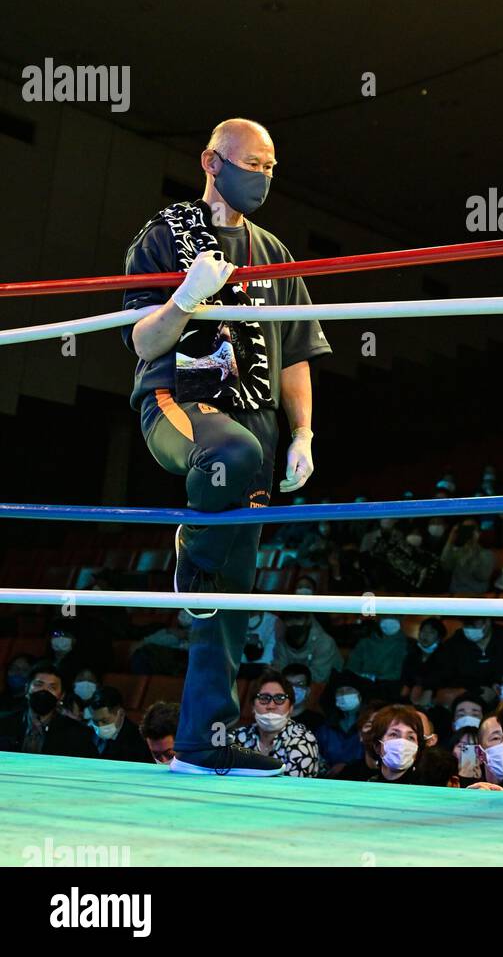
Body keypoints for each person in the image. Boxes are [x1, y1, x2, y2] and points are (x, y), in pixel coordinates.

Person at [122, 117, 331, 777]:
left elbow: (296, 353)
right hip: (179, 404)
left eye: (272, 166)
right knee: (229, 457)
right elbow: (143, 342)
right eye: (253, 163)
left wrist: (302, 433)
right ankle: (190, 552)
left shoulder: (274, 251)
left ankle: (202, 742)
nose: (264, 176)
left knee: (230, 600)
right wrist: (186, 296)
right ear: (212, 161)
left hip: (258, 420)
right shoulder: (164, 236)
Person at [230, 672, 320, 777]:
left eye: (279, 698)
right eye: (263, 698)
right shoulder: (236, 738)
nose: (271, 706)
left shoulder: (303, 740)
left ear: (291, 707)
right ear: (253, 706)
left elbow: (293, 790)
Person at [425, 617, 503, 704]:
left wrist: (496, 688)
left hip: (500, 693)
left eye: (474, 625)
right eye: (466, 625)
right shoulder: (456, 642)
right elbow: (441, 672)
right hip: (466, 694)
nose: (469, 629)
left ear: (487, 622)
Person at [0, 664, 96, 758]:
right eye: (38, 684)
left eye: (52, 687)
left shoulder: (78, 734)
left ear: (61, 696)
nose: (44, 691)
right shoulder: (3, 724)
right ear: (26, 689)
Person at [84, 686, 153, 763]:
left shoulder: (139, 741)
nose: (100, 726)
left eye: (105, 721)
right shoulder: (86, 733)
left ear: (121, 714)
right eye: (95, 722)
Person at [272, 612, 342, 684]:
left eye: (298, 618)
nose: (294, 623)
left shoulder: (324, 642)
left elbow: (320, 677)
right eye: (289, 619)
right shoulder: (281, 641)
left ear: (308, 621)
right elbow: (279, 669)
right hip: (290, 686)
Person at [345, 617, 409, 694]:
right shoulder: (366, 641)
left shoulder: (403, 646)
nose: (389, 621)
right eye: (386, 615)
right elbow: (352, 663)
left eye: (394, 616)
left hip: (385, 688)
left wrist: (375, 678)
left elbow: (398, 673)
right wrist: (359, 676)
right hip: (359, 684)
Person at [364, 705, 426, 784]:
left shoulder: (426, 789)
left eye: (410, 737)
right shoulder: (366, 785)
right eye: (394, 735)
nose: (402, 743)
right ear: (377, 746)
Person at [440, 521, 495, 596]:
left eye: (470, 529)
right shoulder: (456, 552)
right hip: (455, 595)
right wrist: (450, 541)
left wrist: (473, 548)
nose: (467, 532)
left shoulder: (487, 554)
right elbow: (445, 566)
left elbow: (482, 576)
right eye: (464, 529)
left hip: (476, 596)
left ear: (478, 533)